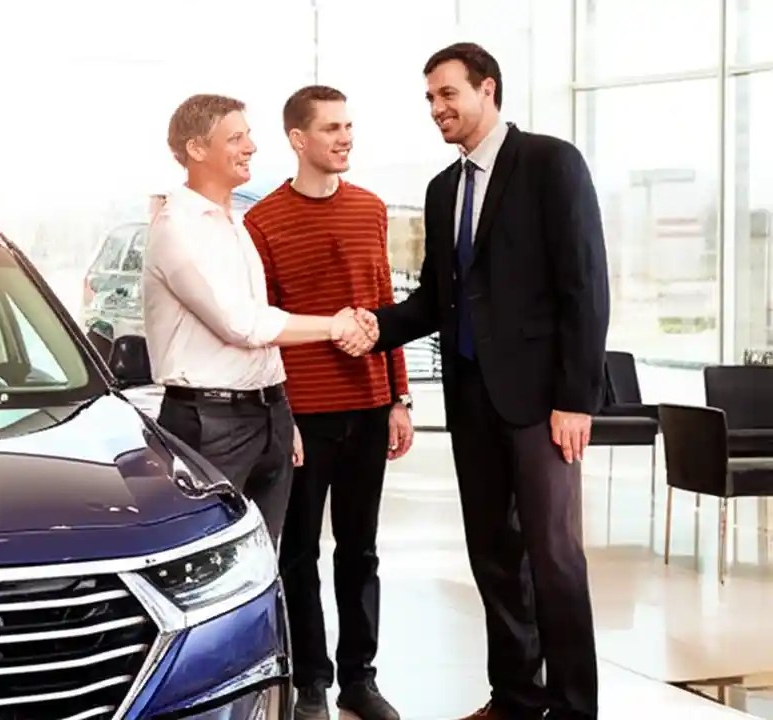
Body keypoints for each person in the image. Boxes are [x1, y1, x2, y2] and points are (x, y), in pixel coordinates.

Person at [341, 43, 610, 720]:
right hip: (471, 399)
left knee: (553, 558)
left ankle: (575, 707)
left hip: (542, 403)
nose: (437, 109)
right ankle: (515, 697)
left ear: (488, 89)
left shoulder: (551, 164)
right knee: (493, 554)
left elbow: (586, 287)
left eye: (447, 94)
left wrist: (575, 399)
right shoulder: (443, 188)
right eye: (429, 98)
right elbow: (437, 299)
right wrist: (374, 327)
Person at [243, 85, 410, 720]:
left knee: (360, 549)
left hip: (369, 405)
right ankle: (311, 679)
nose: (344, 138)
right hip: (305, 414)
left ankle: (360, 681)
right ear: (297, 139)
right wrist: (280, 415)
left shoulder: (370, 208)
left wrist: (399, 397)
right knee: (299, 552)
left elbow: (382, 302)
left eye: (349, 127)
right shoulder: (263, 222)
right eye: (332, 128)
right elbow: (265, 326)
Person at [142, 93, 369, 542]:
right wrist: (334, 326)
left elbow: (258, 327)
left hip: (266, 414)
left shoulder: (234, 222)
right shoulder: (177, 228)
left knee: (265, 560)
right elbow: (242, 324)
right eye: (236, 138)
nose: (251, 147)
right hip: (209, 423)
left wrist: (279, 417)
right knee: (211, 562)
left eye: (249, 136)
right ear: (196, 149)